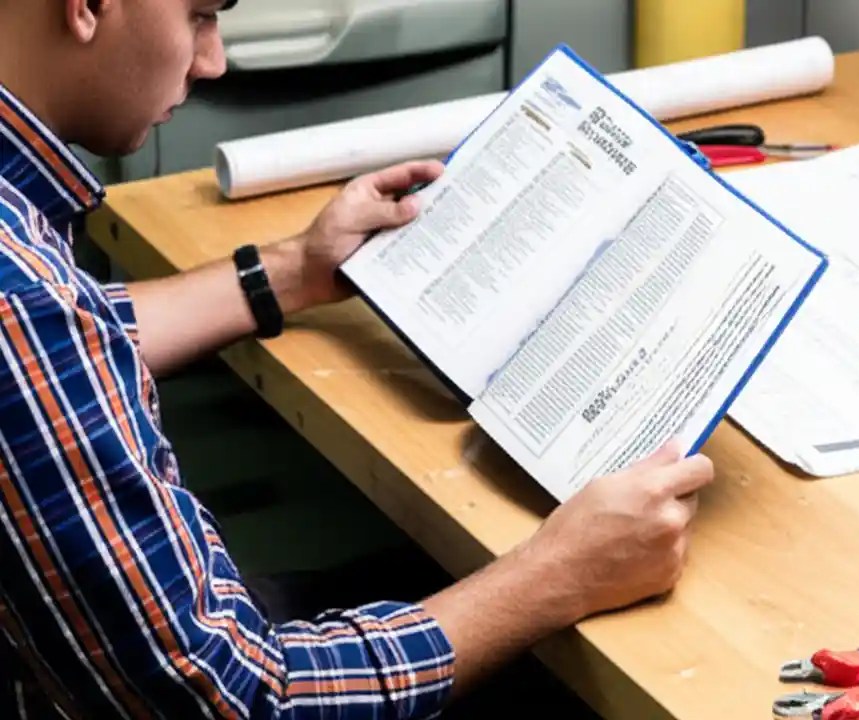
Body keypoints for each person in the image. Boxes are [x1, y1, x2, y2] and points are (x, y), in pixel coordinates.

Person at [0, 1, 715, 717]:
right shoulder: (20, 306)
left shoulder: (29, 283)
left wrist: (290, 271)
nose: (212, 59)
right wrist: (560, 574)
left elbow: (64, 347)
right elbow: (243, 701)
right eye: (199, 15)